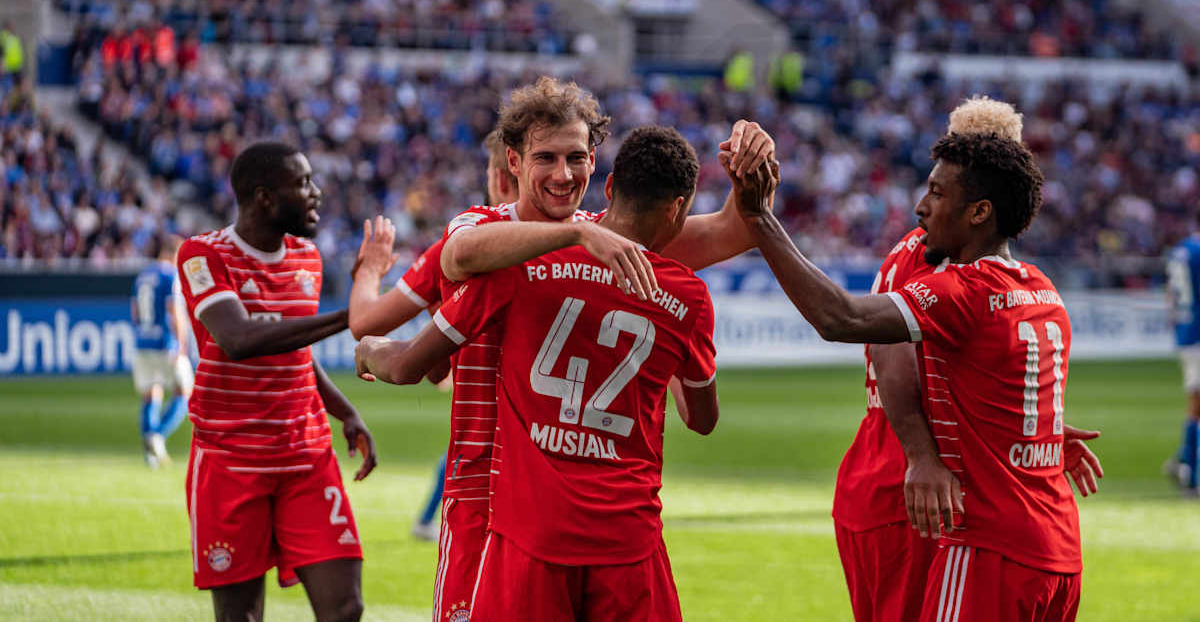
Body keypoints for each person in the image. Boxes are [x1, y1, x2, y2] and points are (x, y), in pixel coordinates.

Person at [348, 76, 774, 621]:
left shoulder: (607, 236)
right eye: (545, 158)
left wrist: (754, 160)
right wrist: (575, 234)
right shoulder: (489, 226)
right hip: (482, 493)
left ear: (597, 163)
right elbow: (460, 255)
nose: (562, 174)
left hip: (562, 509)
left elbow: (728, 231)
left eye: (576, 157)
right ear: (514, 163)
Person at [733, 131, 1084, 620]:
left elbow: (843, 319)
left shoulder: (965, 290)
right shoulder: (1043, 290)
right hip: (1058, 551)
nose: (921, 207)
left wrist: (758, 219)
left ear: (979, 212)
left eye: (938, 194)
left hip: (987, 548)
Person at [832, 96, 1103, 621]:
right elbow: (888, 347)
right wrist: (920, 455)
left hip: (916, 481)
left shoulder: (955, 257)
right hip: (909, 488)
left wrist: (1033, 429)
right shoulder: (934, 255)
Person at [175, 142, 377, 622]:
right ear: (264, 196)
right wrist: (356, 314)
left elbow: (296, 352)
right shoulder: (202, 254)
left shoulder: (307, 258)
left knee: (346, 608)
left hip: (305, 459)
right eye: (304, 183)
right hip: (230, 462)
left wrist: (345, 411)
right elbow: (238, 338)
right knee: (242, 617)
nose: (317, 193)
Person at [131, 234, 193, 468]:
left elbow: (135, 311)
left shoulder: (142, 276)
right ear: (175, 253)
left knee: (151, 394)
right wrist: (182, 342)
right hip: (166, 343)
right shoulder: (170, 275)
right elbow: (174, 309)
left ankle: (151, 456)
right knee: (184, 393)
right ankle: (156, 436)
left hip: (143, 342)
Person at [1166, 216, 1200, 494]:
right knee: (1197, 404)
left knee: (1195, 402)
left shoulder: (1180, 250)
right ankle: (1190, 469)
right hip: (1199, 332)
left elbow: (1170, 295)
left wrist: (1177, 323)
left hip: (1186, 332)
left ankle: (1185, 461)